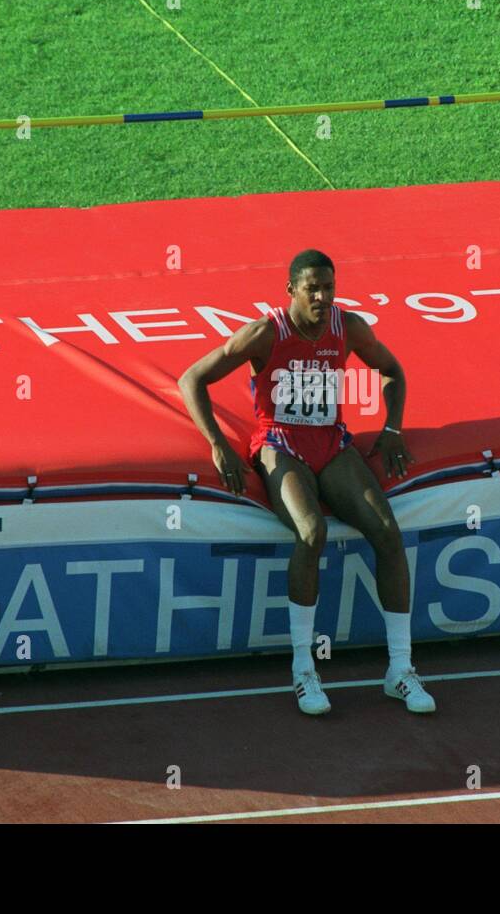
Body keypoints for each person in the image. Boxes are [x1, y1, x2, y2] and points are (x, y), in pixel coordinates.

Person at [179, 249, 436, 716]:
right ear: (291, 290)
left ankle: (400, 670)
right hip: (279, 443)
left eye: (328, 288)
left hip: (332, 444)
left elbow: (392, 370)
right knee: (311, 533)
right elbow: (192, 378)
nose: (321, 296)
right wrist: (217, 443)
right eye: (312, 288)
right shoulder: (265, 333)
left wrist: (393, 428)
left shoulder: (348, 328)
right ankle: (304, 671)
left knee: (387, 534)